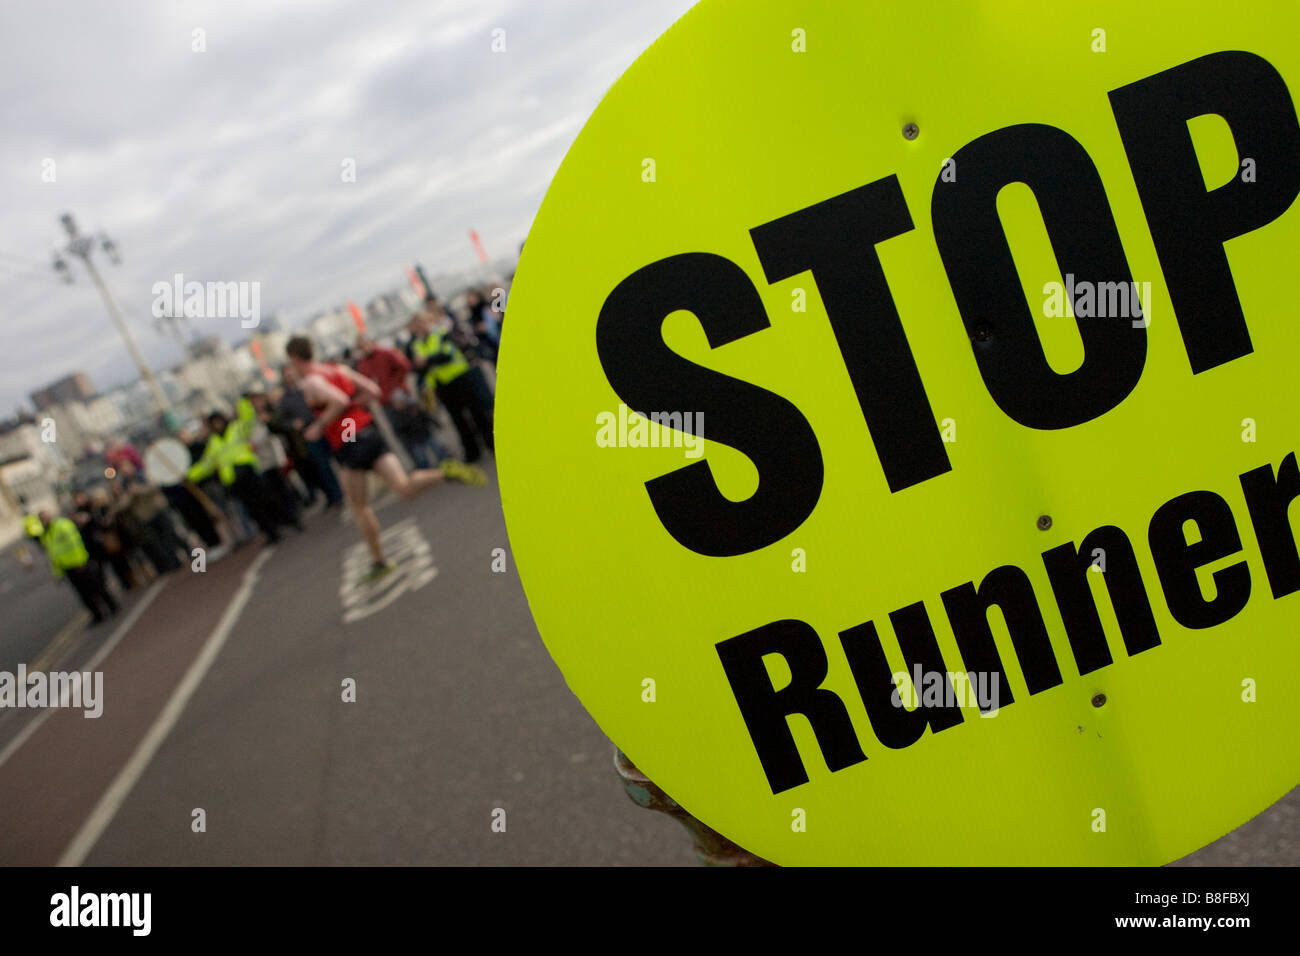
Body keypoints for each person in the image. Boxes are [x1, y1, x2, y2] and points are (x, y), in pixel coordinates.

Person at [285, 334, 485, 583]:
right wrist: (353, 408)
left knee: (359, 507)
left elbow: (339, 400)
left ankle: (379, 561)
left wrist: (319, 425)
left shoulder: (311, 381)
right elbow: (373, 390)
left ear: (295, 358)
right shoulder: (337, 368)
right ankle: (446, 472)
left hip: (349, 439)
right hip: (368, 432)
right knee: (403, 489)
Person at [187, 401, 283, 544]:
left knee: (264, 500)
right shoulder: (213, 442)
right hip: (234, 480)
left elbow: (248, 419)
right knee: (251, 509)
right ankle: (269, 532)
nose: (217, 425)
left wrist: (242, 403)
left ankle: (278, 524)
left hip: (248, 472)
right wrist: (190, 475)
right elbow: (206, 464)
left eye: (218, 421)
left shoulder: (236, 428)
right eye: (214, 423)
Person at [407, 309, 494, 463]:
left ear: (428, 321)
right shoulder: (417, 344)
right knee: (458, 419)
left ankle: (491, 443)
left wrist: (426, 360)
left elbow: (448, 354)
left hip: (460, 377)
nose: (420, 327)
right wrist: (427, 362)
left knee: (477, 413)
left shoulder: (442, 333)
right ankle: (472, 450)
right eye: (416, 325)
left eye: (421, 323)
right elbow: (417, 367)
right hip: (442, 385)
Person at [32, 509, 118, 625]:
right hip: (67, 568)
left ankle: (112, 606)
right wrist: (57, 573)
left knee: (96, 587)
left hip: (79, 564)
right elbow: (53, 555)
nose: (44, 520)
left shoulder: (63, 525)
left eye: (45, 517)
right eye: (42, 519)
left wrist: (80, 561)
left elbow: (75, 543)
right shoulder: (46, 534)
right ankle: (97, 615)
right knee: (83, 594)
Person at [280, 363, 344, 510]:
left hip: (327, 426)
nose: (289, 376)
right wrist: (292, 424)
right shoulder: (285, 400)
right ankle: (337, 496)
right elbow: (282, 420)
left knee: (341, 457)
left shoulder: (308, 384)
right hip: (309, 434)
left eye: (290, 371)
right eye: (286, 374)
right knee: (323, 466)